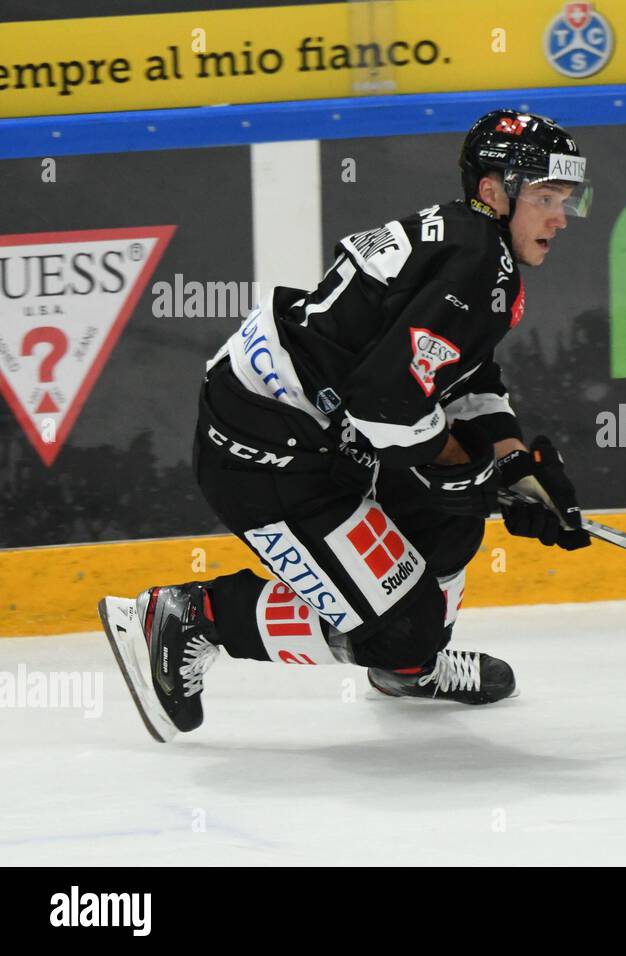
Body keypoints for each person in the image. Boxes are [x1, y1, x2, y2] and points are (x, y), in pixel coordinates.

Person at [98, 109, 593, 743]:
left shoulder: (475, 249)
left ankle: (404, 672)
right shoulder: (476, 262)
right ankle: (191, 617)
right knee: (403, 628)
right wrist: (472, 473)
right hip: (264, 450)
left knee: (448, 522)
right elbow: (385, 406)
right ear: (495, 192)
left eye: (567, 200)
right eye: (547, 198)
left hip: (307, 428)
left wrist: (512, 462)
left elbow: (464, 376)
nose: (560, 216)